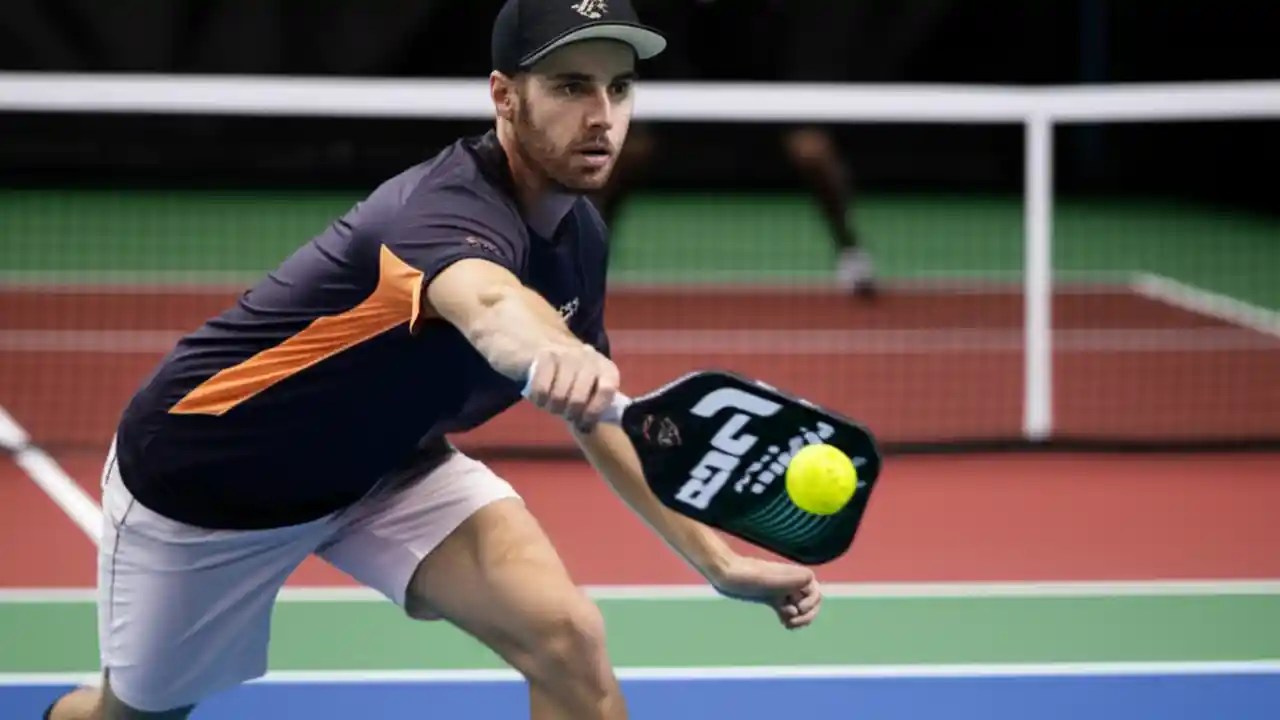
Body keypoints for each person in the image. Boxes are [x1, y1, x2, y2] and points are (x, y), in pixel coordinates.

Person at [44, 0, 823, 718]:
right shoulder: (438, 211)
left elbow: (602, 421)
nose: (602, 117)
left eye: (620, 89)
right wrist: (551, 349)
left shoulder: (581, 234)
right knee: (134, 717)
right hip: (211, 482)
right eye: (570, 87)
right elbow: (487, 302)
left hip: (385, 466)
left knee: (567, 639)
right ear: (504, 95)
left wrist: (717, 560)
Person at [593, 0, 876, 295]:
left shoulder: (772, 15)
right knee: (631, 151)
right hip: (685, 87)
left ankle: (851, 252)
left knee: (812, 151)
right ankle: (590, 251)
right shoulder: (667, 14)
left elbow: (790, 61)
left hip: (765, 89)